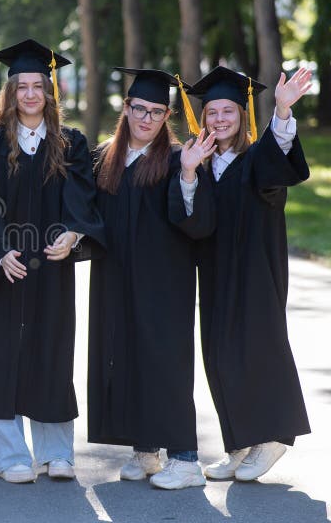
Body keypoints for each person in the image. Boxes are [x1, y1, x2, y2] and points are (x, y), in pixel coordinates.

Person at [0, 39, 104, 483]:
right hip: (5, 263)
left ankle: (56, 453)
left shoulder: (70, 143)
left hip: (50, 265)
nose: (28, 95)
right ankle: (9, 458)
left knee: (51, 351)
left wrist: (73, 233)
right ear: (9, 93)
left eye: (36, 86)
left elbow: (82, 196)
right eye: (20, 86)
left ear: (49, 92)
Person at [87, 68, 217, 490]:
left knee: (165, 363)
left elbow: (196, 224)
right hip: (116, 276)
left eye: (156, 111)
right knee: (123, 355)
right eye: (139, 108)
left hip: (165, 282)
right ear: (125, 108)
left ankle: (184, 457)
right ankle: (144, 450)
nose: (146, 118)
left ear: (167, 116)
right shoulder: (106, 155)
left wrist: (190, 175)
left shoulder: (181, 156)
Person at [189, 66, 313, 482]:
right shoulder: (201, 162)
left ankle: (275, 436)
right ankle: (239, 443)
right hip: (216, 273)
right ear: (202, 118)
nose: (220, 119)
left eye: (228, 111)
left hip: (257, 270)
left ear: (243, 116)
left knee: (260, 348)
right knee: (220, 356)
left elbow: (281, 155)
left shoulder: (257, 157)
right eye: (212, 113)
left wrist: (281, 110)